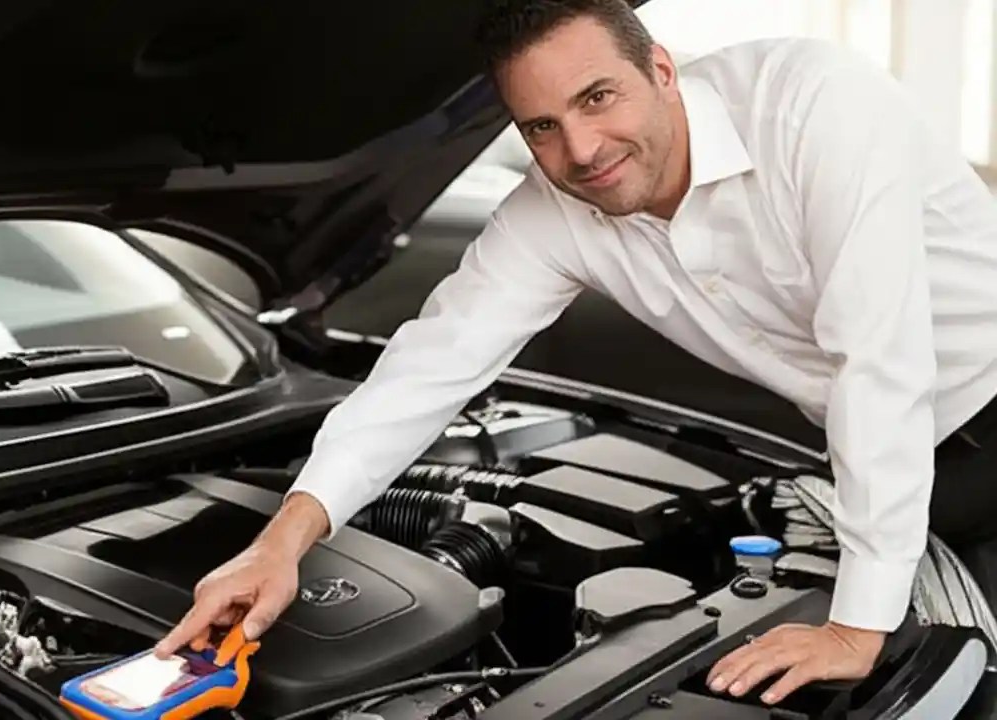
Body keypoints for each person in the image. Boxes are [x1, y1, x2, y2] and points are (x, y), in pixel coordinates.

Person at [156, 0, 997, 706]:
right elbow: (428, 368)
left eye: (599, 98)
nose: (582, 150)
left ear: (662, 71)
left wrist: (854, 628)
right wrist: (282, 542)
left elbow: (877, 366)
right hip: (901, 455)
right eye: (543, 127)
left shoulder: (817, 107)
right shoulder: (555, 213)